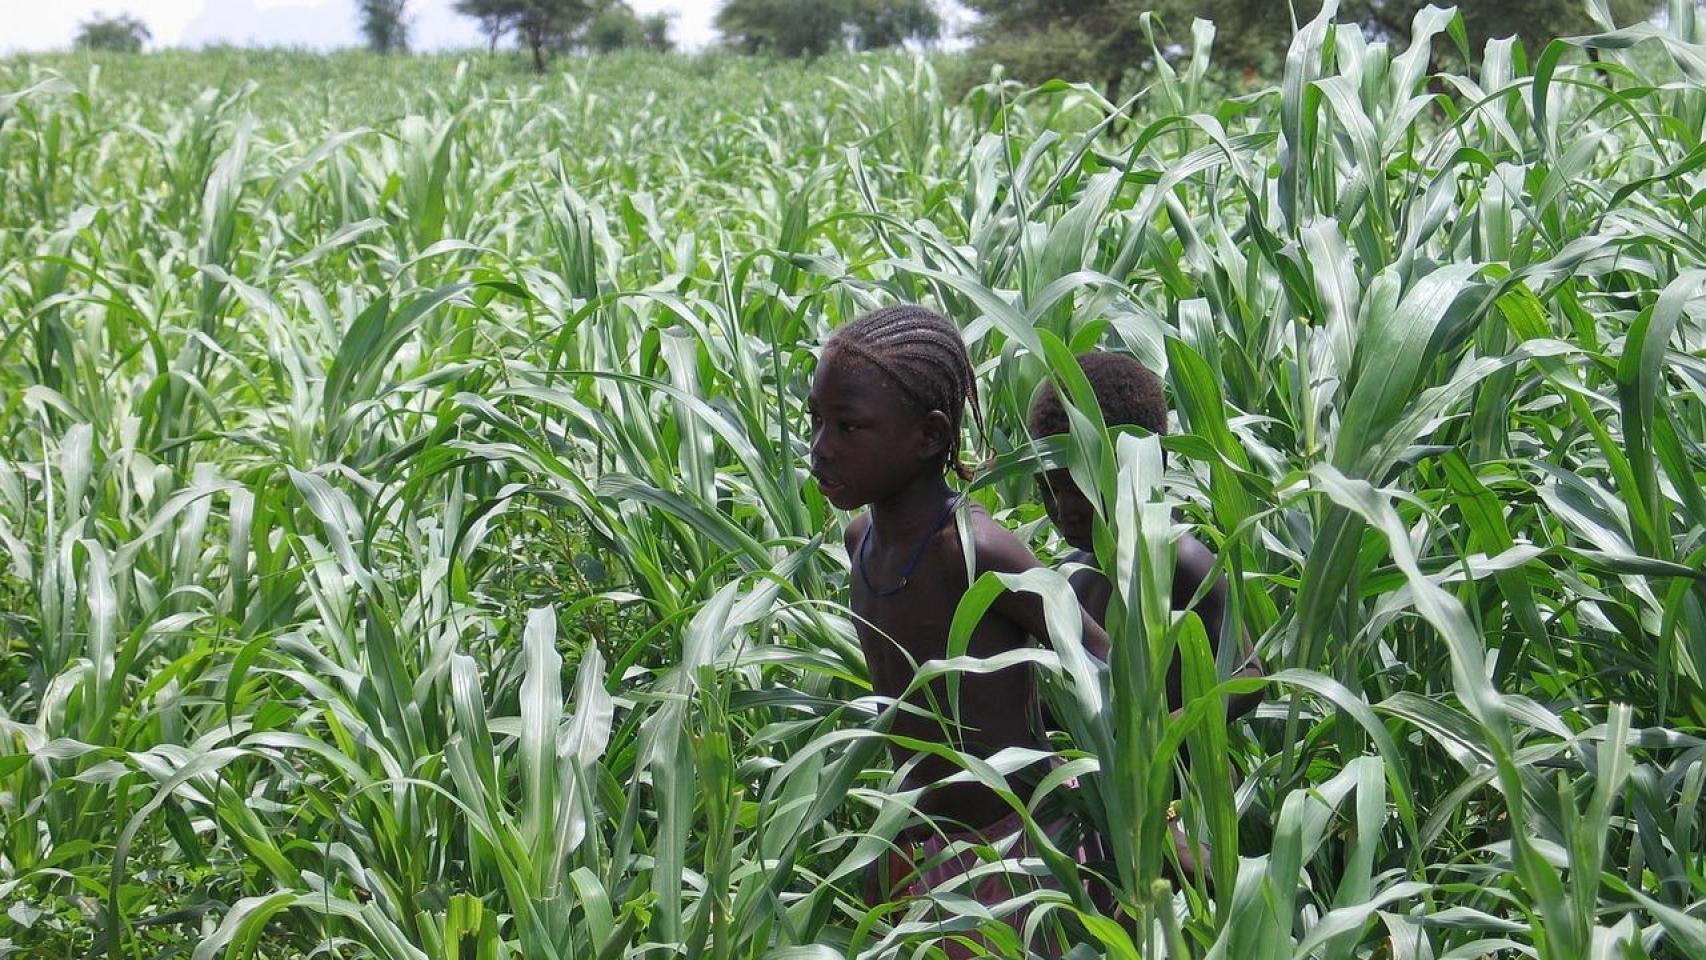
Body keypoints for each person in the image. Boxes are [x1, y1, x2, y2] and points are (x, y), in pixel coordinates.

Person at [808, 304, 1109, 958]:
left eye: (849, 426)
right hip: (920, 848)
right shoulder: (861, 539)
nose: (820, 447)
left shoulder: (977, 552)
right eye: (817, 420)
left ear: (927, 435)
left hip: (1017, 855)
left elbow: (1105, 664)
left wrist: (1138, 812)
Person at [1027, 350, 1265, 879]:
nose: (1062, 509)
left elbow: (1251, 677)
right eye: (1047, 487)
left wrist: (1163, 733)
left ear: (1133, 466)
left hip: (1188, 797)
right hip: (1106, 802)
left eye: (1077, 487)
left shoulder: (1177, 559)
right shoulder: (1069, 576)